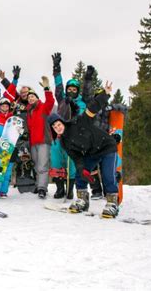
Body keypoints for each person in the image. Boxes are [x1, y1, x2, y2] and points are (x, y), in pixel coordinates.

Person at [47, 81, 120, 218]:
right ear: (53, 130)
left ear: (62, 122)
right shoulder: (64, 142)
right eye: (55, 127)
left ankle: (112, 203)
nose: (58, 127)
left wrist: (105, 94)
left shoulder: (78, 122)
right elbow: (77, 158)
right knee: (81, 175)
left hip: (106, 147)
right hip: (91, 152)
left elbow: (92, 108)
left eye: (58, 124)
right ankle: (82, 199)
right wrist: (82, 169)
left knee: (107, 176)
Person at [49, 53, 91, 199]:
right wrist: (57, 68)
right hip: (59, 133)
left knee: (72, 161)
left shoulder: (82, 101)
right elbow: (58, 85)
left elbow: (87, 90)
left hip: (74, 135)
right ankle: (60, 187)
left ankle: (70, 188)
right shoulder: (62, 99)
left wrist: (88, 78)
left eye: (74, 89)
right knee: (56, 157)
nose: (71, 91)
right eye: (69, 89)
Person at [26, 76, 55, 199]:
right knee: (37, 165)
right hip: (34, 142)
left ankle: (42, 188)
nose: (30, 98)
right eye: (29, 97)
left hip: (44, 141)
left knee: (43, 166)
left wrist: (47, 88)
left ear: (37, 98)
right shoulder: (29, 111)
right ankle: (39, 185)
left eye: (33, 96)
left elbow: (50, 101)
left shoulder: (43, 107)